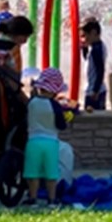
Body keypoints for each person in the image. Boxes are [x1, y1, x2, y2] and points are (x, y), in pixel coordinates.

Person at [22, 67, 75, 207]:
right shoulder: (55, 106)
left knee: (33, 172)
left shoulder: (32, 103)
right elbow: (61, 126)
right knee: (51, 173)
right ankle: (52, 199)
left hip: (33, 142)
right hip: (51, 142)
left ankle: (32, 198)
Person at [79, 17, 108, 111]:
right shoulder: (96, 46)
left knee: (92, 118)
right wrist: (84, 48)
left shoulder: (96, 50)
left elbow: (100, 70)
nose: (83, 39)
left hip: (94, 92)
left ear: (94, 33)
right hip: (94, 89)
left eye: (84, 36)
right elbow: (86, 58)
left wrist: (95, 90)